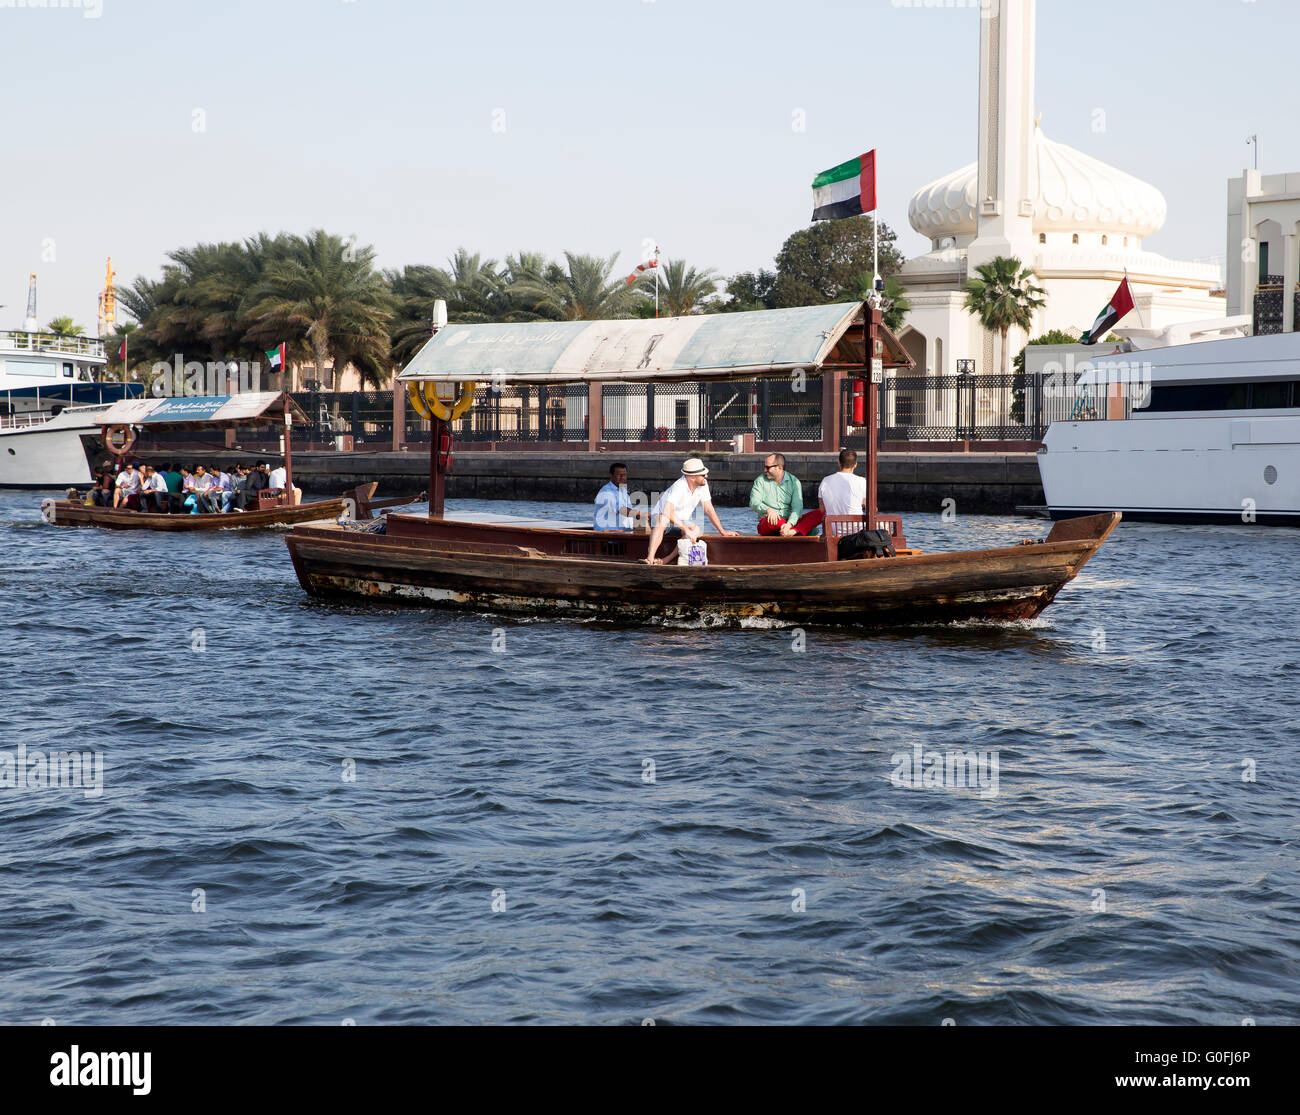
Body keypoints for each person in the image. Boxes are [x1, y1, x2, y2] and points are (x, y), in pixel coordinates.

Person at [642, 458, 738, 565]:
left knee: (696, 529)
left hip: (679, 521)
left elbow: (708, 508)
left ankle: (666, 560)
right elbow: (667, 511)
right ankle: (649, 559)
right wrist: (685, 529)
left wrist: (722, 531)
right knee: (663, 519)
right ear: (692, 477)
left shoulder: (703, 484)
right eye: (703, 474)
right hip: (660, 518)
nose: (706, 476)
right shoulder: (679, 486)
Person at [749, 453, 824, 537]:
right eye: (764, 467)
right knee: (772, 520)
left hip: (789, 523)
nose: (764, 470)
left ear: (779, 467)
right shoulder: (760, 481)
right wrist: (768, 510)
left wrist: (789, 524)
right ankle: (799, 530)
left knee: (822, 512)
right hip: (769, 523)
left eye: (768, 467)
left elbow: (797, 508)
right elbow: (753, 502)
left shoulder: (794, 482)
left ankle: (791, 531)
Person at [593, 462, 649, 532]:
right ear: (611, 475)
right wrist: (643, 514)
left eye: (624, 475)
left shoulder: (623, 490)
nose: (622, 477)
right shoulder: (606, 492)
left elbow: (630, 512)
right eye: (619, 475)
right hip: (606, 538)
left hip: (623, 535)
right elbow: (622, 510)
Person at [818, 448, 868, 517]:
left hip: (832, 527)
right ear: (855, 464)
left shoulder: (825, 481)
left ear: (839, 463)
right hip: (857, 526)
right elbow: (867, 505)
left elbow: (822, 509)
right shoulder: (862, 481)